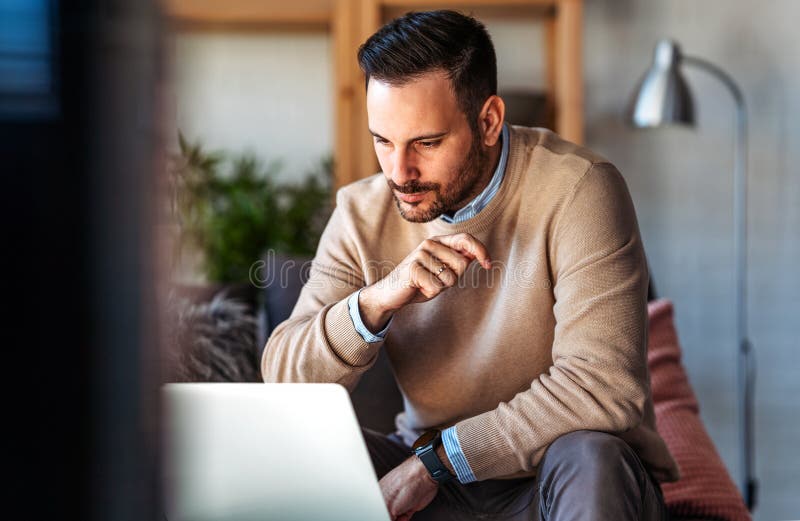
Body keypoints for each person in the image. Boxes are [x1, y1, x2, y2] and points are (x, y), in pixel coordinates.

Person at [262, 9, 679, 521]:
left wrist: (435, 463)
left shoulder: (579, 189)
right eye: (382, 141)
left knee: (589, 454)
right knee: (294, 457)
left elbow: (601, 387)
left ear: (488, 121)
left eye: (426, 143)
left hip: (556, 480)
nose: (399, 172)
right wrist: (375, 303)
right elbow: (283, 383)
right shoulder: (360, 213)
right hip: (437, 488)